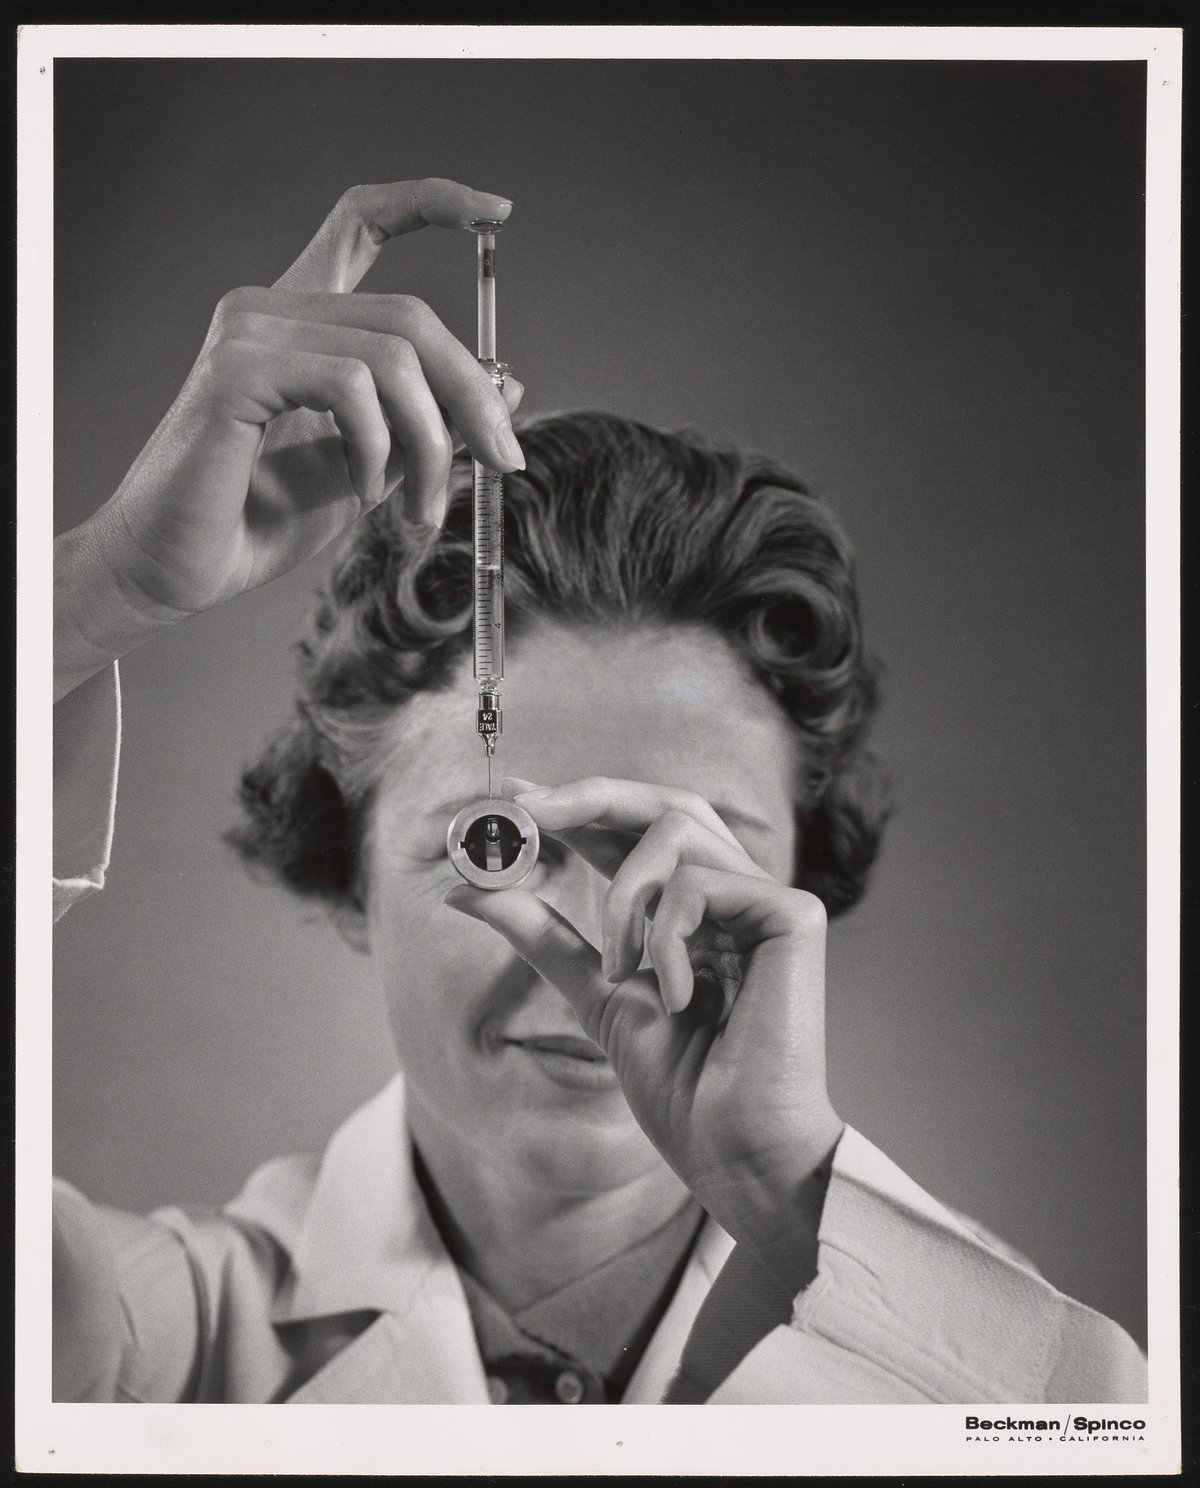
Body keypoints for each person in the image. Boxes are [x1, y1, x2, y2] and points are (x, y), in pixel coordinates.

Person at [52, 177, 1147, 1406]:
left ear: (798, 885)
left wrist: (795, 1202)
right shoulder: (147, 1342)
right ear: (345, 863)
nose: (597, 940)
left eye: (685, 849)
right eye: (493, 842)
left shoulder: (960, 1365)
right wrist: (100, 590)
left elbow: (1103, 1430)